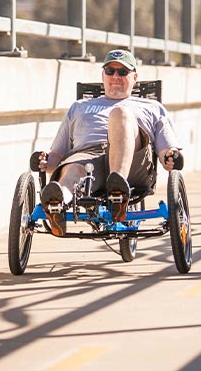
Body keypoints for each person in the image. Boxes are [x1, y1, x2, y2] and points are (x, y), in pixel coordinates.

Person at [30, 49, 183, 237]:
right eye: (110, 71)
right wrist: (45, 162)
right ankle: (57, 203)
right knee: (73, 170)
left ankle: (118, 187)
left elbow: (166, 149)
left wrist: (169, 156)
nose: (115, 76)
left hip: (133, 160)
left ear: (134, 77)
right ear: (103, 75)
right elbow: (58, 154)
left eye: (122, 72)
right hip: (88, 158)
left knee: (120, 113)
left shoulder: (151, 107)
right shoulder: (78, 107)